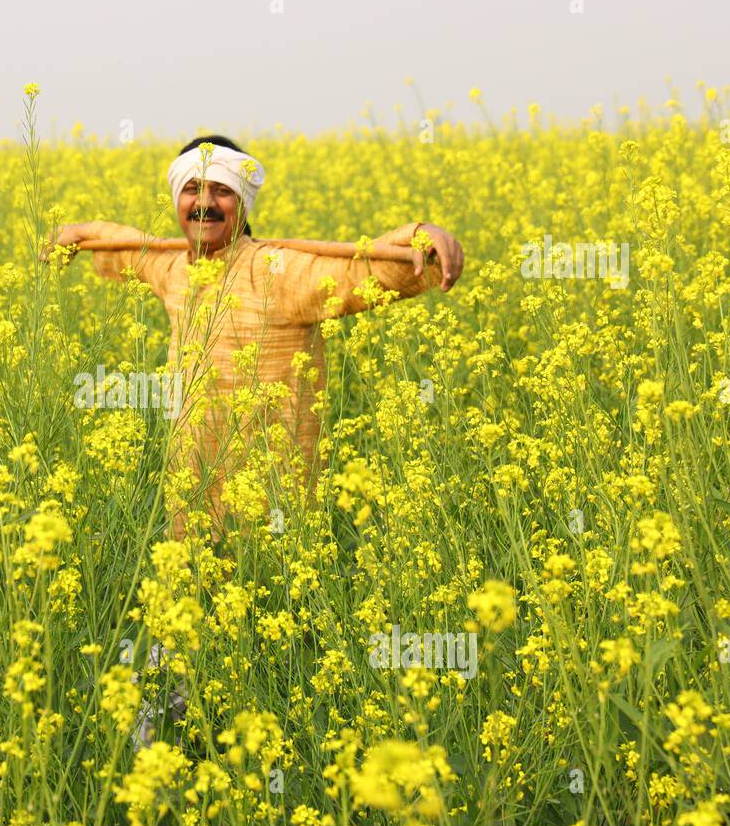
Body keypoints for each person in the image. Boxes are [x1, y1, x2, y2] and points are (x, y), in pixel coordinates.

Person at [50, 135, 465, 543]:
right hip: (191, 483)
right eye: (192, 189)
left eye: (222, 192)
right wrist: (78, 232)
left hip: (271, 494)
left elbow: (360, 272)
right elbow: (127, 246)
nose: (204, 203)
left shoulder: (275, 270)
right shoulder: (175, 268)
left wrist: (420, 236)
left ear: (243, 203)